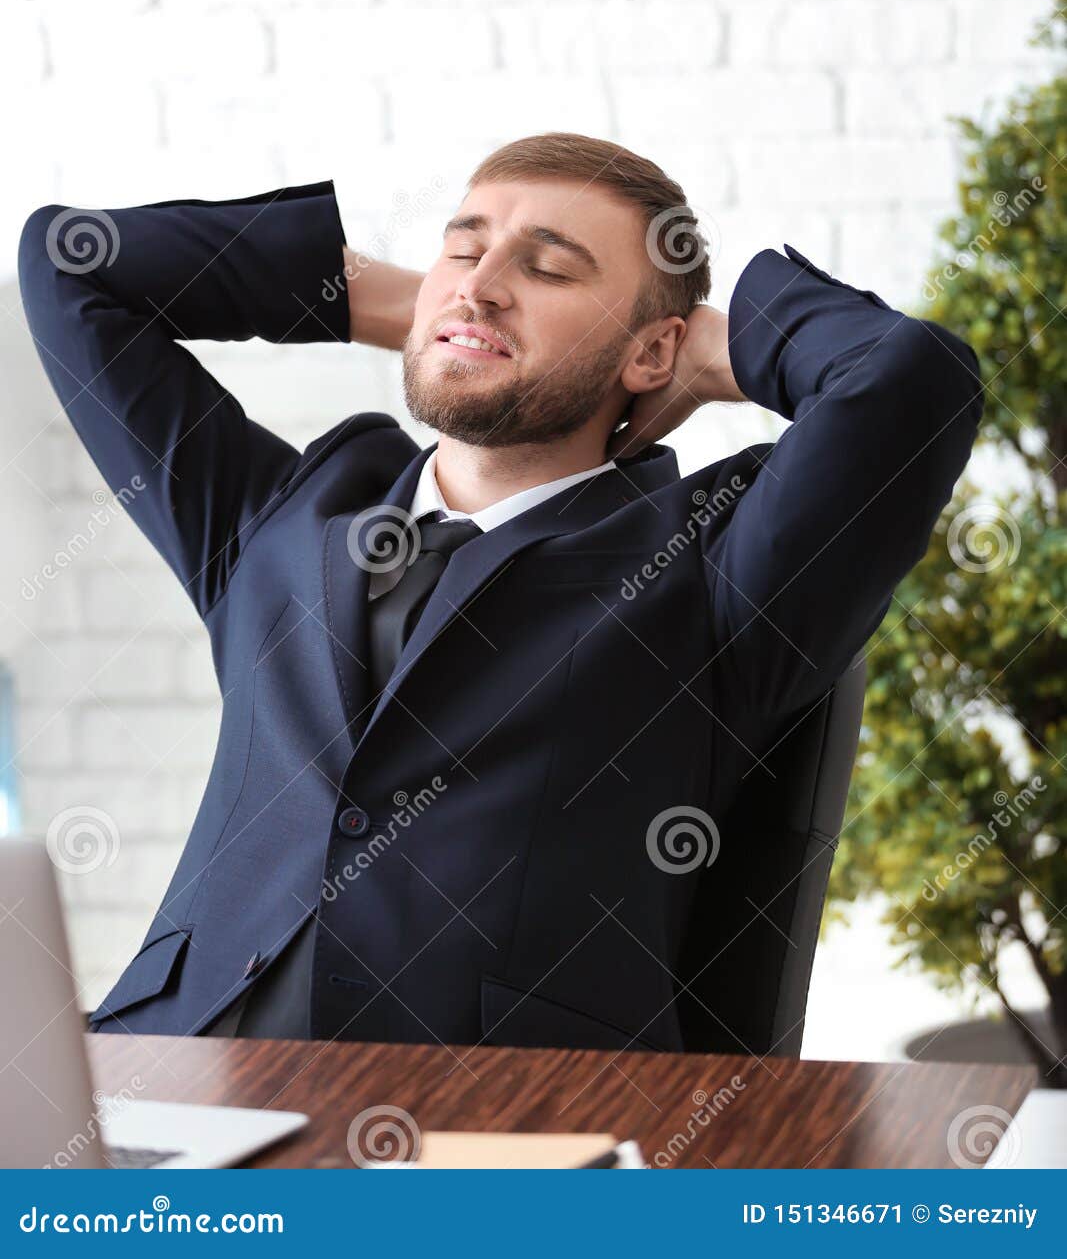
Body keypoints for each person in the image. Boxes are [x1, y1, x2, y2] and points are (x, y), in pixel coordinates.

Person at [17, 133, 983, 1051]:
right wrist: (413, 309)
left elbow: (909, 379)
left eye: (548, 269)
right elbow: (72, 265)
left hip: (500, 1136)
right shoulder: (278, 519)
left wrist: (701, 351)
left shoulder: (714, 575)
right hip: (165, 1094)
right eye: (460, 249)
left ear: (649, 352)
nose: (482, 283)